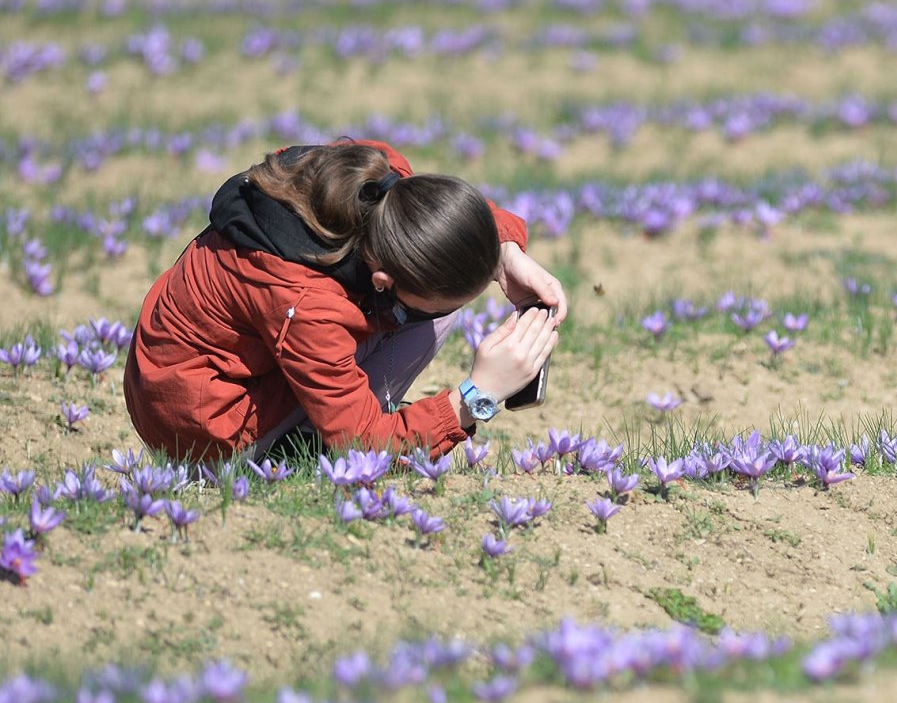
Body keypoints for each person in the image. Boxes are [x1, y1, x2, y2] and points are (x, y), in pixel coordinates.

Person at [124, 138, 567, 462]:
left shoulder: (376, 178)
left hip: (232, 366)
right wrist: (475, 398)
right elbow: (363, 445)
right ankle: (295, 453)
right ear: (381, 280)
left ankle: (339, 421)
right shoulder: (308, 305)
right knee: (430, 322)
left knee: (432, 314)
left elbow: (424, 204)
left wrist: (504, 251)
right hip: (206, 430)